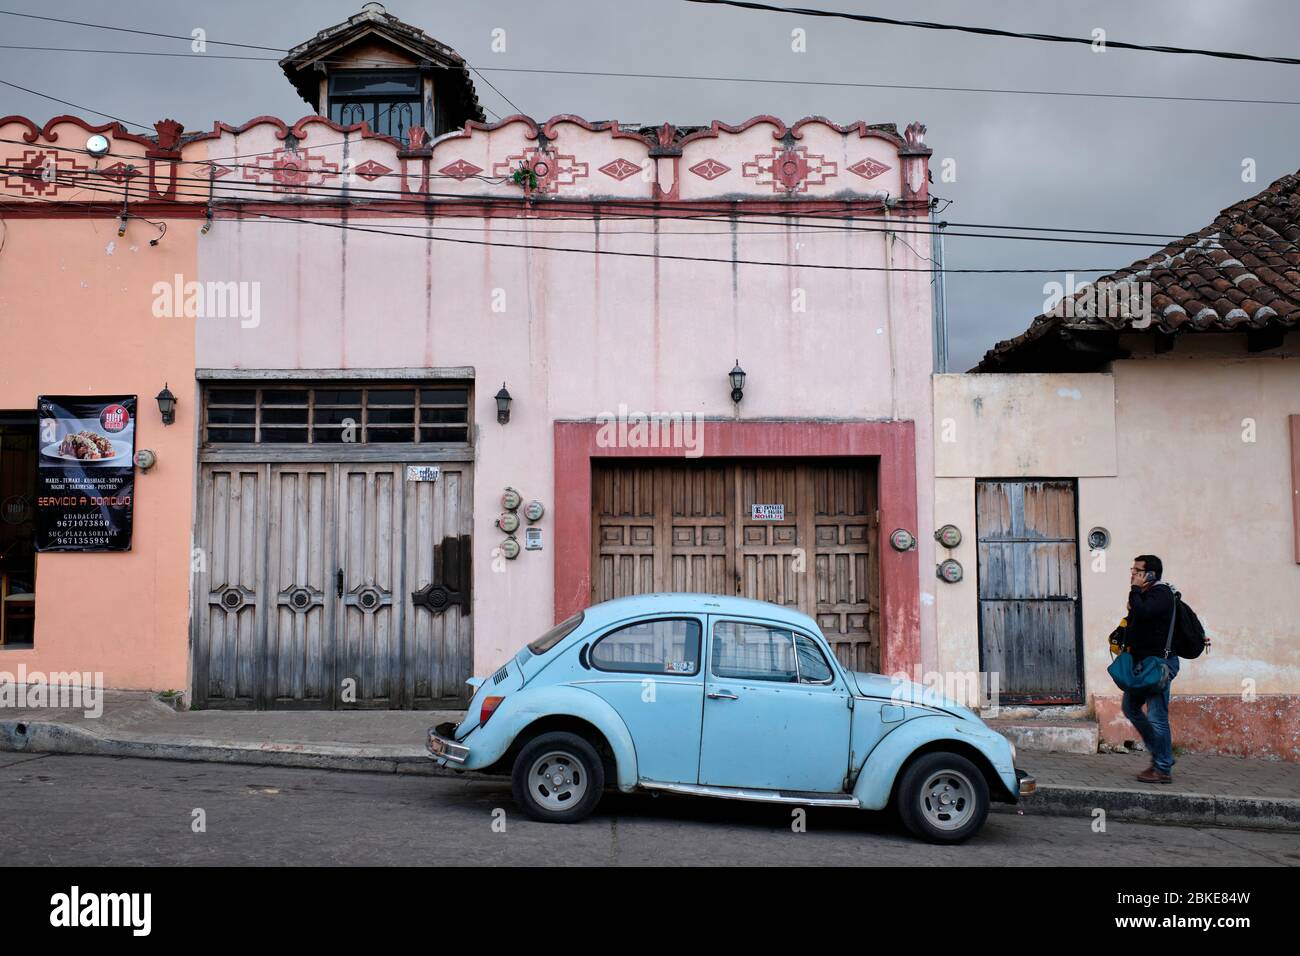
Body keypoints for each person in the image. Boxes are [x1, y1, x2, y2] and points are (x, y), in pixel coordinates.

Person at [1120, 555, 1179, 783]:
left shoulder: (1161, 594)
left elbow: (1144, 613)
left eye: (1137, 570)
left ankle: (1162, 768)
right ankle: (1162, 755)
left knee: (1156, 716)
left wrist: (1134, 593)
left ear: (1150, 574)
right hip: (1144, 664)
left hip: (1158, 666)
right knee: (1130, 706)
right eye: (1132, 569)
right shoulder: (1147, 595)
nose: (1132, 574)